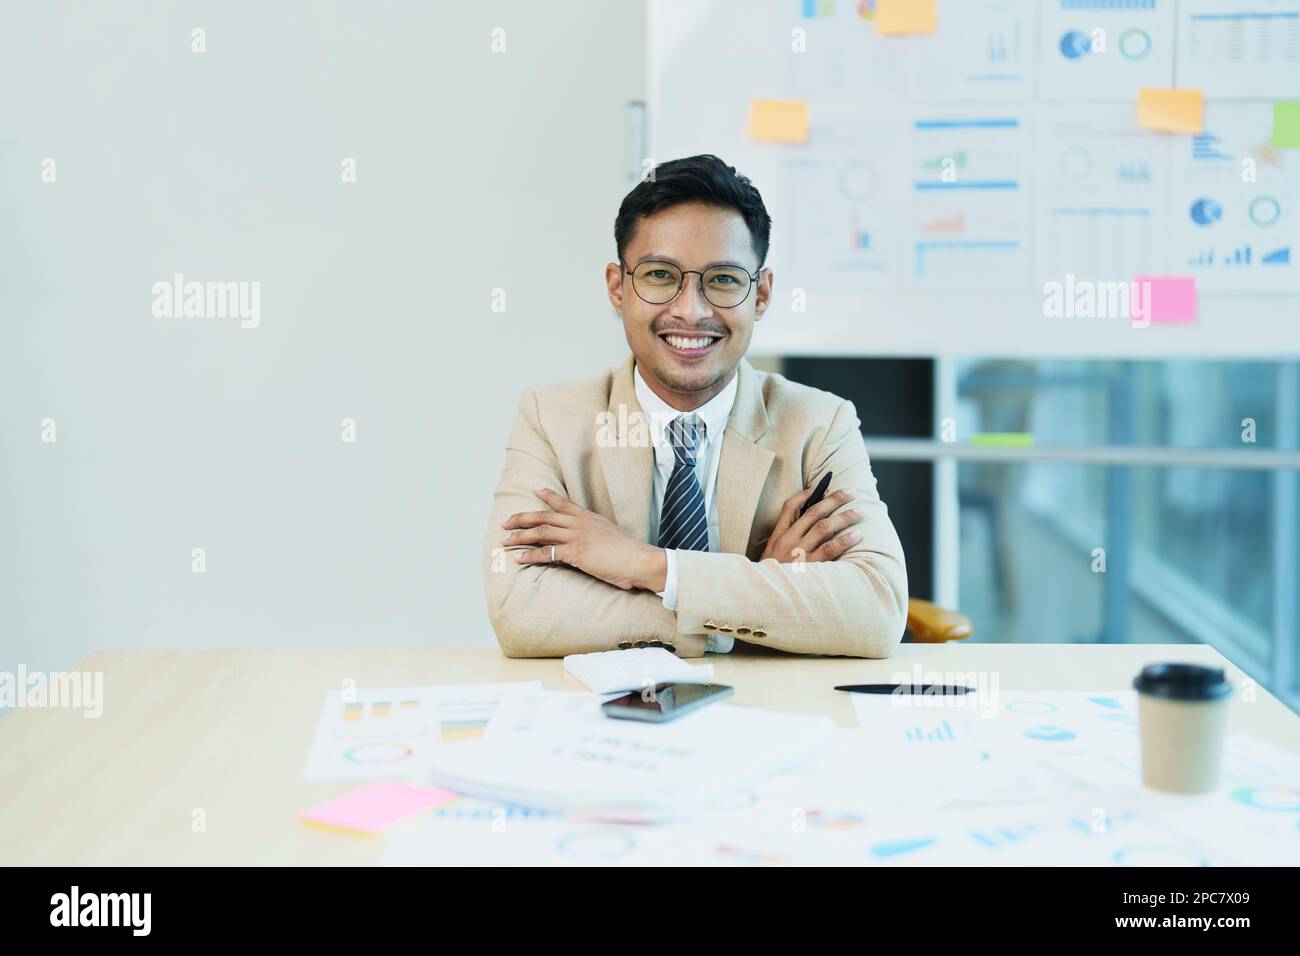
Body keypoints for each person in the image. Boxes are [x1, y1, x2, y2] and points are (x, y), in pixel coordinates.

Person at [483, 154, 907, 658]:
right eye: (661, 275)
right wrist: (749, 598)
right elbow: (521, 611)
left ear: (762, 295)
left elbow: (876, 611)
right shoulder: (551, 419)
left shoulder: (820, 424)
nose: (691, 310)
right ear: (618, 288)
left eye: (724, 279)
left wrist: (647, 566)